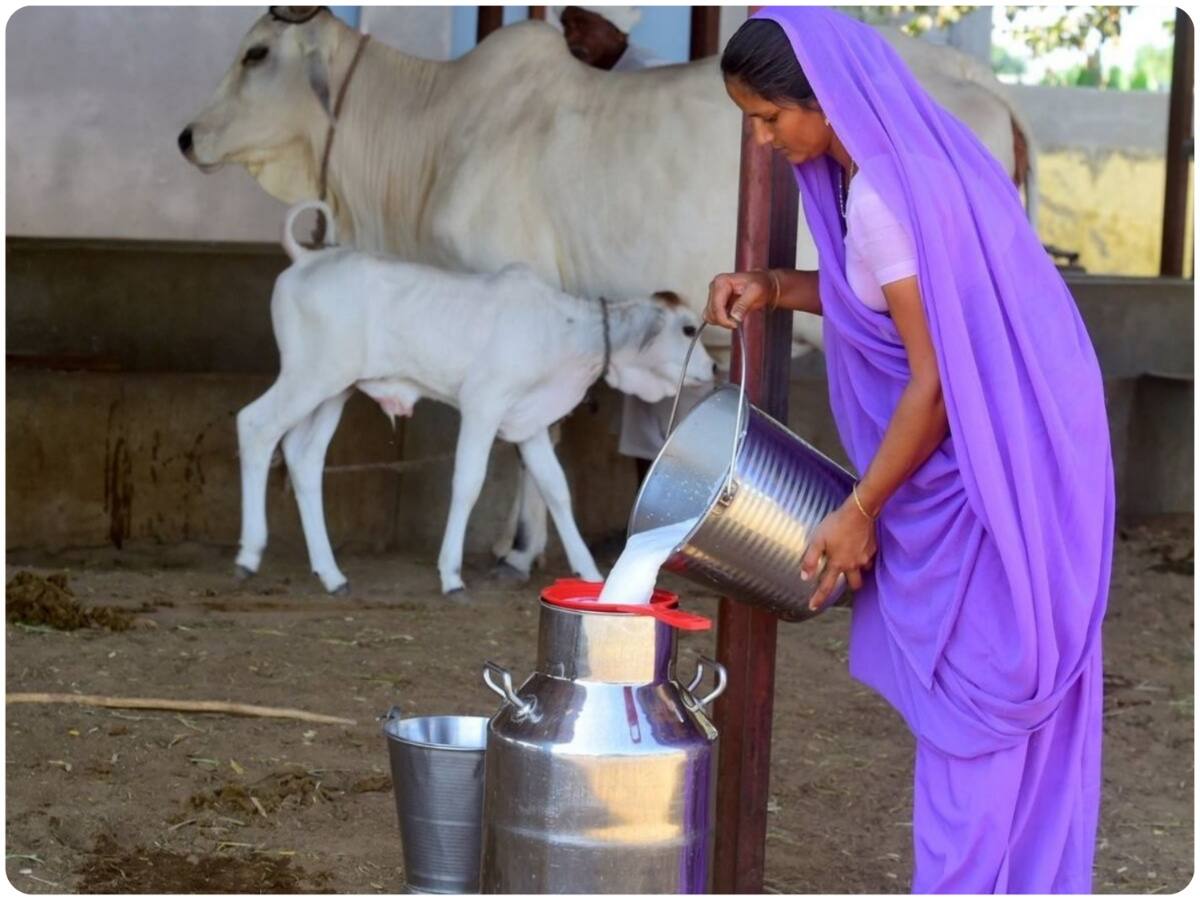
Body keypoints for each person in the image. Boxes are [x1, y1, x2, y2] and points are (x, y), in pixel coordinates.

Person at [706, 8, 1112, 894]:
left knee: (973, 723)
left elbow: (936, 382)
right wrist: (774, 286)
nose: (766, 140)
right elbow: (886, 303)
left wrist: (860, 511)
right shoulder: (891, 177)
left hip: (980, 489)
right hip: (1016, 464)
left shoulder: (887, 198)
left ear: (825, 97)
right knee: (995, 735)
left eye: (771, 119)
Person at [555, 5, 709, 477]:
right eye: (565, 24)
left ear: (616, 25)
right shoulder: (577, 86)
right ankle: (649, 537)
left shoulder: (652, 81)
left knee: (680, 405)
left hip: (668, 259)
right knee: (646, 407)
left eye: (581, 22)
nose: (571, 35)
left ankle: (677, 541)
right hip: (624, 266)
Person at [557, 6, 668, 72]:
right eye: (566, 26)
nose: (569, 37)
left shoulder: (649, 74)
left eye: (582, 25)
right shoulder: (571, 74)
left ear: (619, 32)